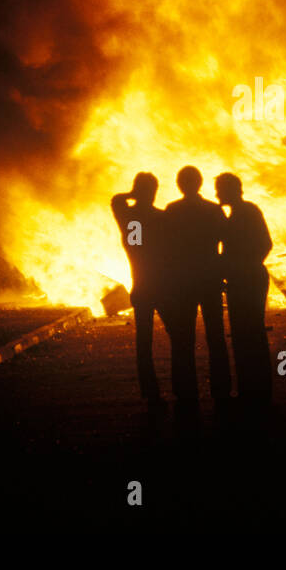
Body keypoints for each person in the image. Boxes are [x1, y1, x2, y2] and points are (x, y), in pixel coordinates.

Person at [162, 166, 232, 428]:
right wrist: (222, 268)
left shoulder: (172, 211)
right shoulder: (213, 210)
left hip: (182, 283)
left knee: (183, 340)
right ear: (200, 183)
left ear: (180, 185)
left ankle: (185, 392)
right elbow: (228, 240)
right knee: (216, 337)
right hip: (210, 279)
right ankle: (222, 391)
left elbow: (164, 249)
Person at [214, 173, 274, 421]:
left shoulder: (246, 213)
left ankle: (255, 392)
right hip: (247, 278)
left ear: (231, 190)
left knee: (247, 334)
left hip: (247, 280)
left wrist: (242, 266)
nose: (217, 195)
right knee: (248, 334)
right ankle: (256, 390)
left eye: (219, 190)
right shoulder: (240, 213)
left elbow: (264, 244)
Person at [111, 173, 168, 412]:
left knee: (144, 342)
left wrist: (133, 194)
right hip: (163, 286)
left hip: (141, 285)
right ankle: (184, 389)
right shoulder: (162, 217)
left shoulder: (127, 217)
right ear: (154, 191)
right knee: (179, 337)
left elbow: (116, 200)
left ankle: (151, 392)